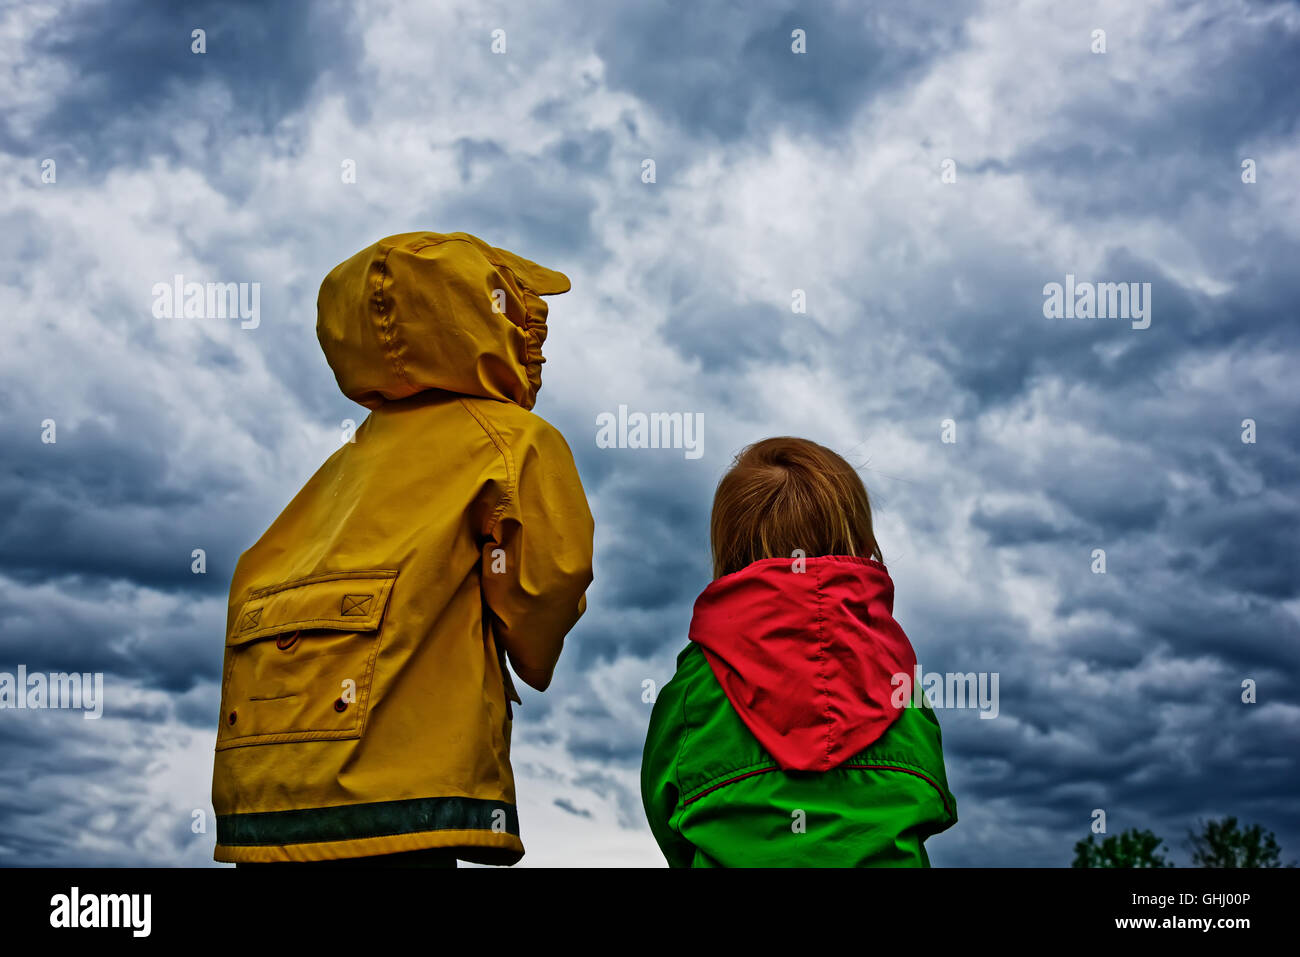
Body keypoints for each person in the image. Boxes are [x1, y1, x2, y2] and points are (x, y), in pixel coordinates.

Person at [212, 231, 594, 866]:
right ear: (484, 316)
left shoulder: (337, 477)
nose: (537, 339)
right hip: (399, 795)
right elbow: (549, 579)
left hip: (266, 797)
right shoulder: (514, 442)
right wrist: (531, 651)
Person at [641, 437, 956, 866]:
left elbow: (667, 817)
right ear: (861, 544)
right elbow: (932, 803)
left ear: (729, 550)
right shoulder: (901, 686)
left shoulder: (693, 689)